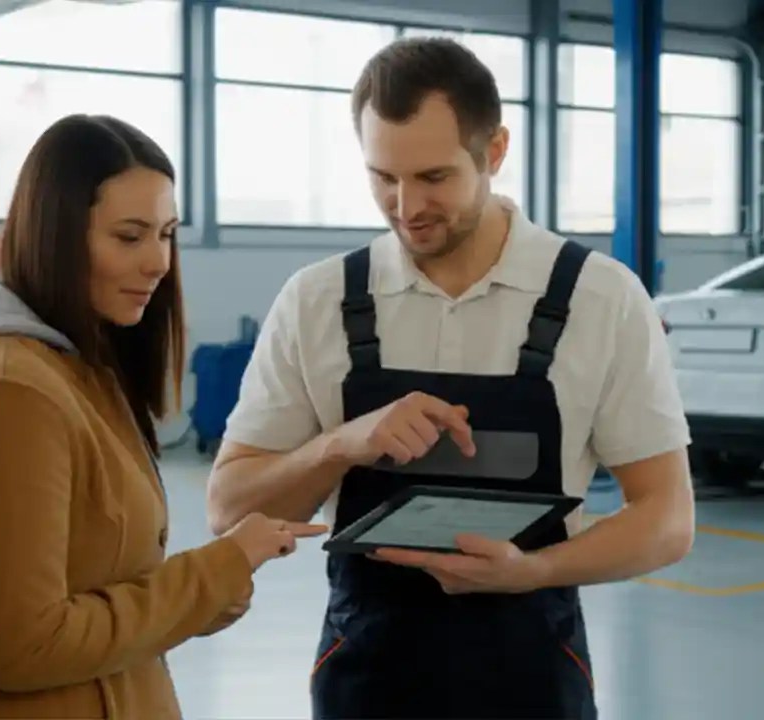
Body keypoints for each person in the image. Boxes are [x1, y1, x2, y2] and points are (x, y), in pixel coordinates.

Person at [206, 37, 697, 719]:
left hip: (534, 679)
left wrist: (534, 571)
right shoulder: (317, 301)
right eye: (383, 177)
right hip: (365, 680)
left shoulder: (600, 298)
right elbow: (229, 511)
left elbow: (667, 519)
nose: (406, 205)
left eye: (433, 177)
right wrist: (340, 445)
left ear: (494, 151)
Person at [0, 114, 326, 719]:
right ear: (55, 236)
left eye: (166, 235)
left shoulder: (73, 369)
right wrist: (218, 570)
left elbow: (99, 585)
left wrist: (216, 584)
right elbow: (23, 646)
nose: (158, 262)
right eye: (129, 237)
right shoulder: (8, 395)